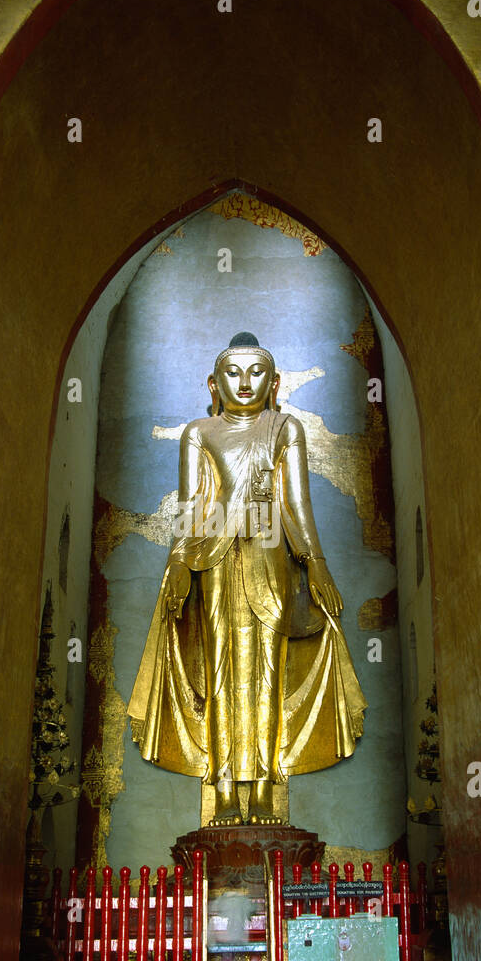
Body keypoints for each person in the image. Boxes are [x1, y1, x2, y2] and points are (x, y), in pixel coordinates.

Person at [127, 333, 366, 826]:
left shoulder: (285, 428)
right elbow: (191, 504)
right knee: (218, 667)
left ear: (274, 383)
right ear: (213, 384)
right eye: (232, 373)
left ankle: (261, 788)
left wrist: (315, 562)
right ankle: (223, 789)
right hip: (213, 555)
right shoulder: (200, 432)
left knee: (267, 672)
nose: (244, 382)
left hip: (272, 550)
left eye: (256, 372)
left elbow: (298, 502)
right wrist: (177, 560)